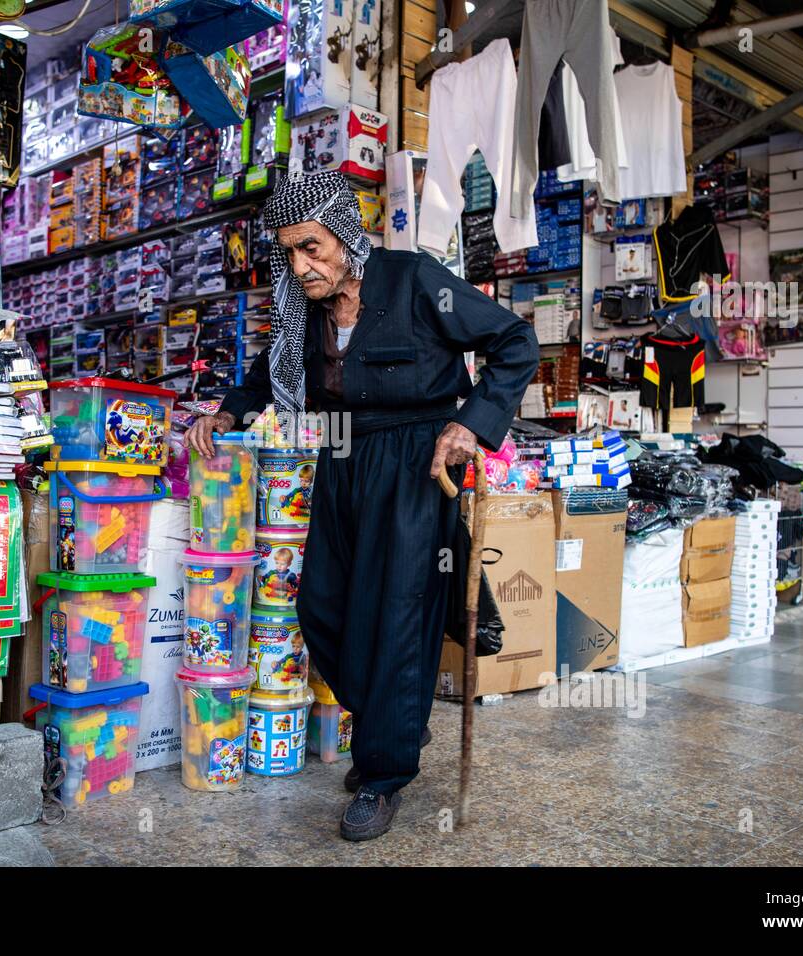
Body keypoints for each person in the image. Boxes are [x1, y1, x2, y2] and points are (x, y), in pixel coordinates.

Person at [186, 171, 538, 841]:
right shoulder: (305, 308)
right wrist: (228, 408)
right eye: (289, 252)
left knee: (398, 618)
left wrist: (474, 422)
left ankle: (382, 774)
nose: (301, 266)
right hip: (343, 459)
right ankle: (393, 721)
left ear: (345, 235)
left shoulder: (412, 281)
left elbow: (513, 343)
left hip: (417, 463)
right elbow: (274, 370)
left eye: (312, 248)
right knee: (322, 606)